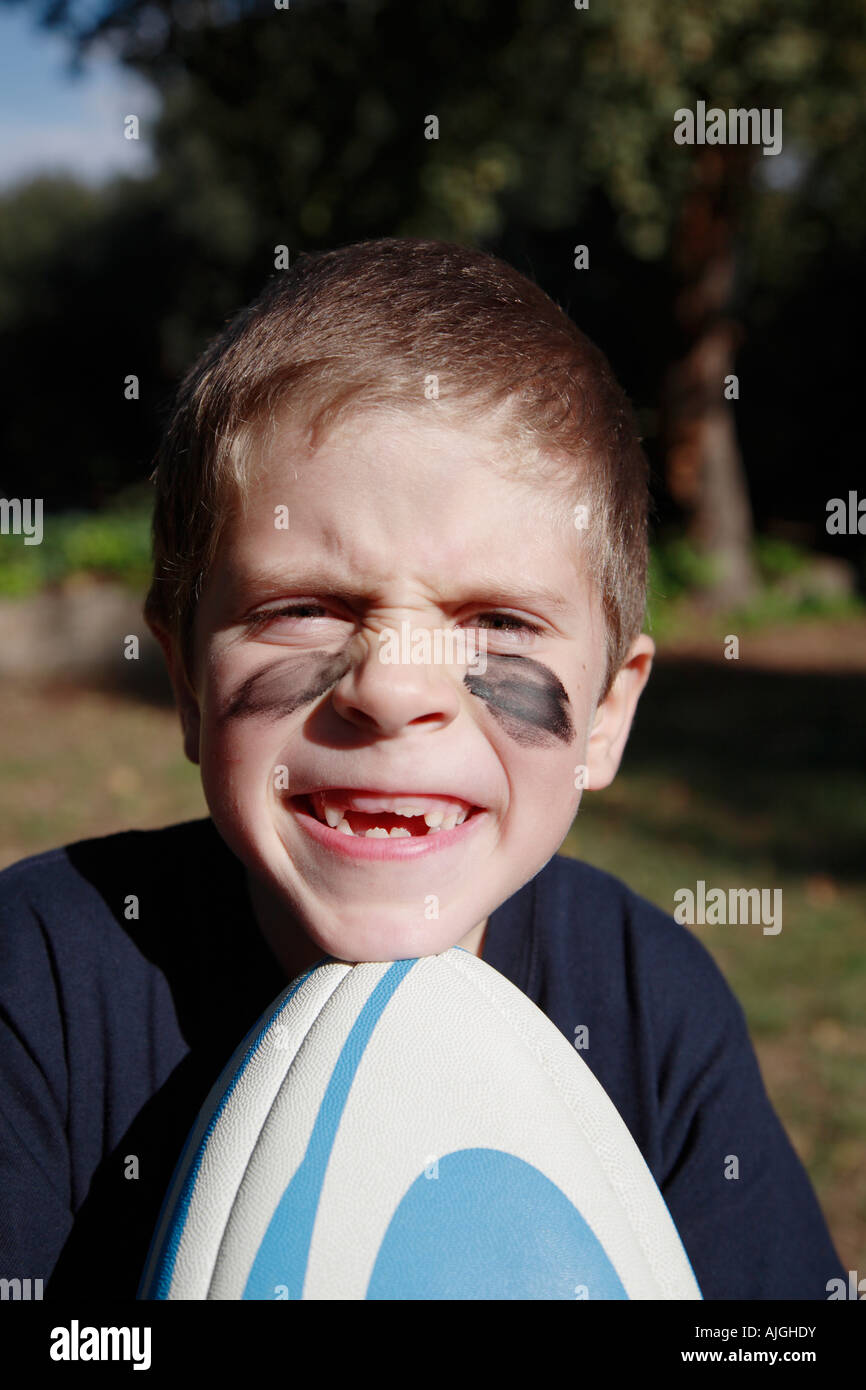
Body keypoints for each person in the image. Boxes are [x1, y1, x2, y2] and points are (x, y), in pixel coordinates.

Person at [0, 239, 844, 1300]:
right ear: (183, 682)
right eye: (301, 606)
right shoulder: (37, 988)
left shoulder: (646, 1000)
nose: (394, 687)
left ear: (603, 714)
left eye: (497, 620)